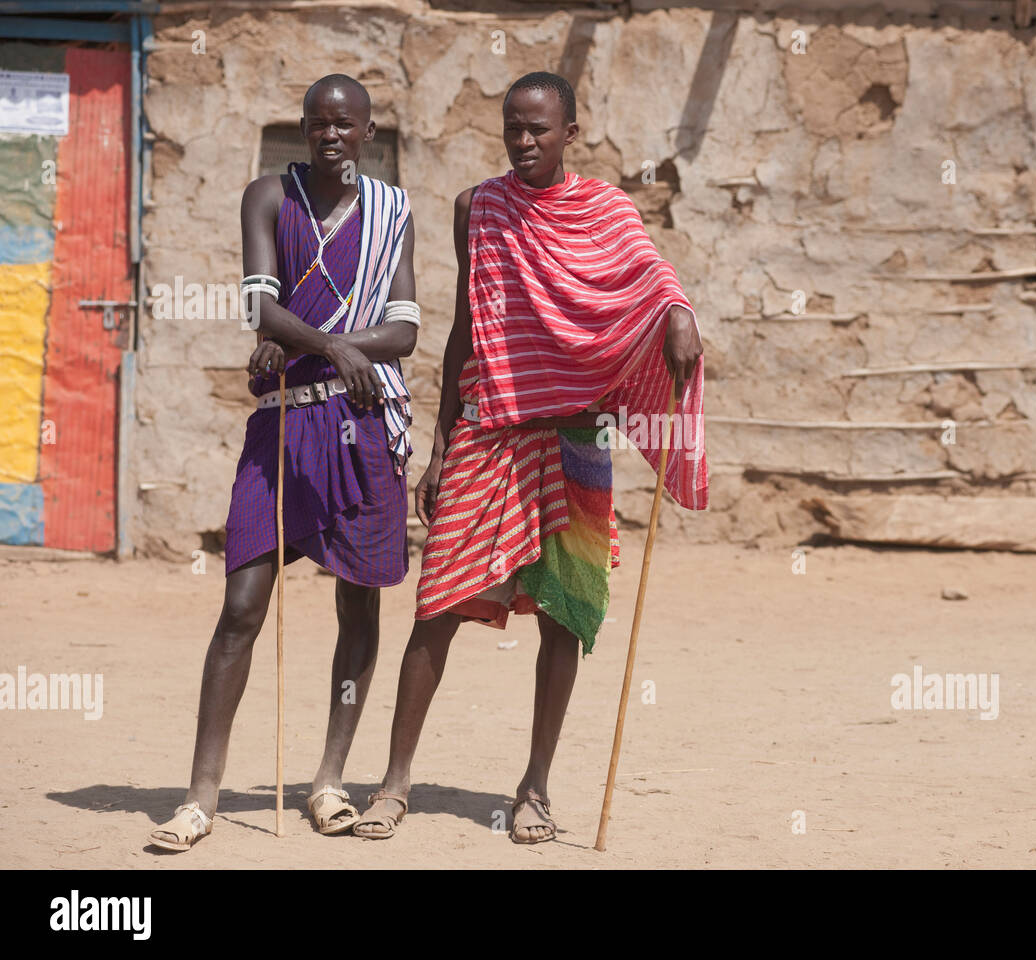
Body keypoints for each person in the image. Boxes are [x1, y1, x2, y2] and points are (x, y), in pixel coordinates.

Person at [352, 71, 707, 845]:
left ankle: (535, 787)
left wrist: (679, 314)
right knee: (437, 604)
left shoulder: (607, 210)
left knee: (562, 615)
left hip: (577, 437)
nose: (523, 141)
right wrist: (440, 446)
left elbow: (652, 281)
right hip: (489, 428)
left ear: (570, 134)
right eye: (513, 127)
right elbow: (462, 329)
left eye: (539, 129)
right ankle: (393, 783)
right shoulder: (476, 208)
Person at [148, 74, 419, 851]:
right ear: (304, 130)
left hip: (366, 424)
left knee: (359, 605)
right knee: (241, 604)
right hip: (283, 425)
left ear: (368, 131)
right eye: (316, 123)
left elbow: (402, 330)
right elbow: (255, 307)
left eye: (345, 123)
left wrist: (316, 345)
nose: (330, 134)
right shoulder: (269, 196)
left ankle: (329, 778)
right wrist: (330, 343)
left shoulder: (393, 213)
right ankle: (201, 794)